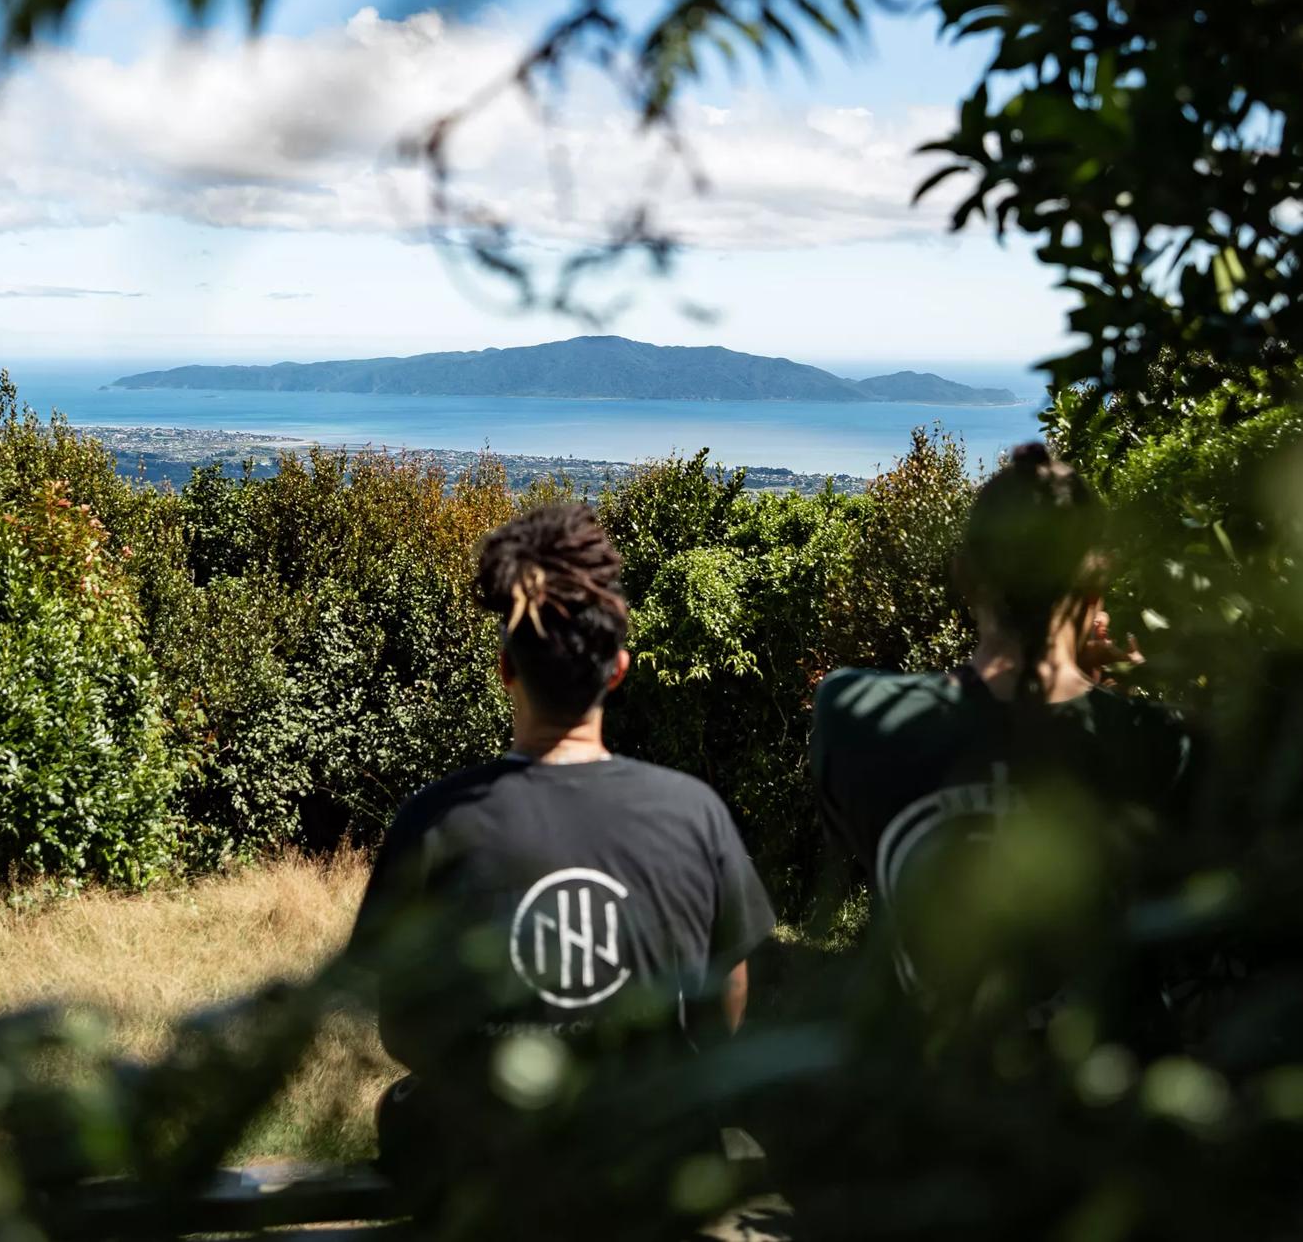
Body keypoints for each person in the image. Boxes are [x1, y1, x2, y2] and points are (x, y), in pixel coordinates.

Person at [347, 501, 775, 1202]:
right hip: (653, 1170)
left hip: (485, 1176)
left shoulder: (434, 822)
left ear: (505, 668)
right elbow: (725, 997)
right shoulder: (694, 814)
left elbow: (403, 1025)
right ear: (618, 670)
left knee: (404, 1108)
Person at [810, 443, 1191, 1010]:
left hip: (921, 1092)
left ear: (966, 575)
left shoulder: (855, 717)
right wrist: (1110, 696)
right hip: (1100, 1093)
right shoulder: (1160, 748)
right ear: (1097, 590)